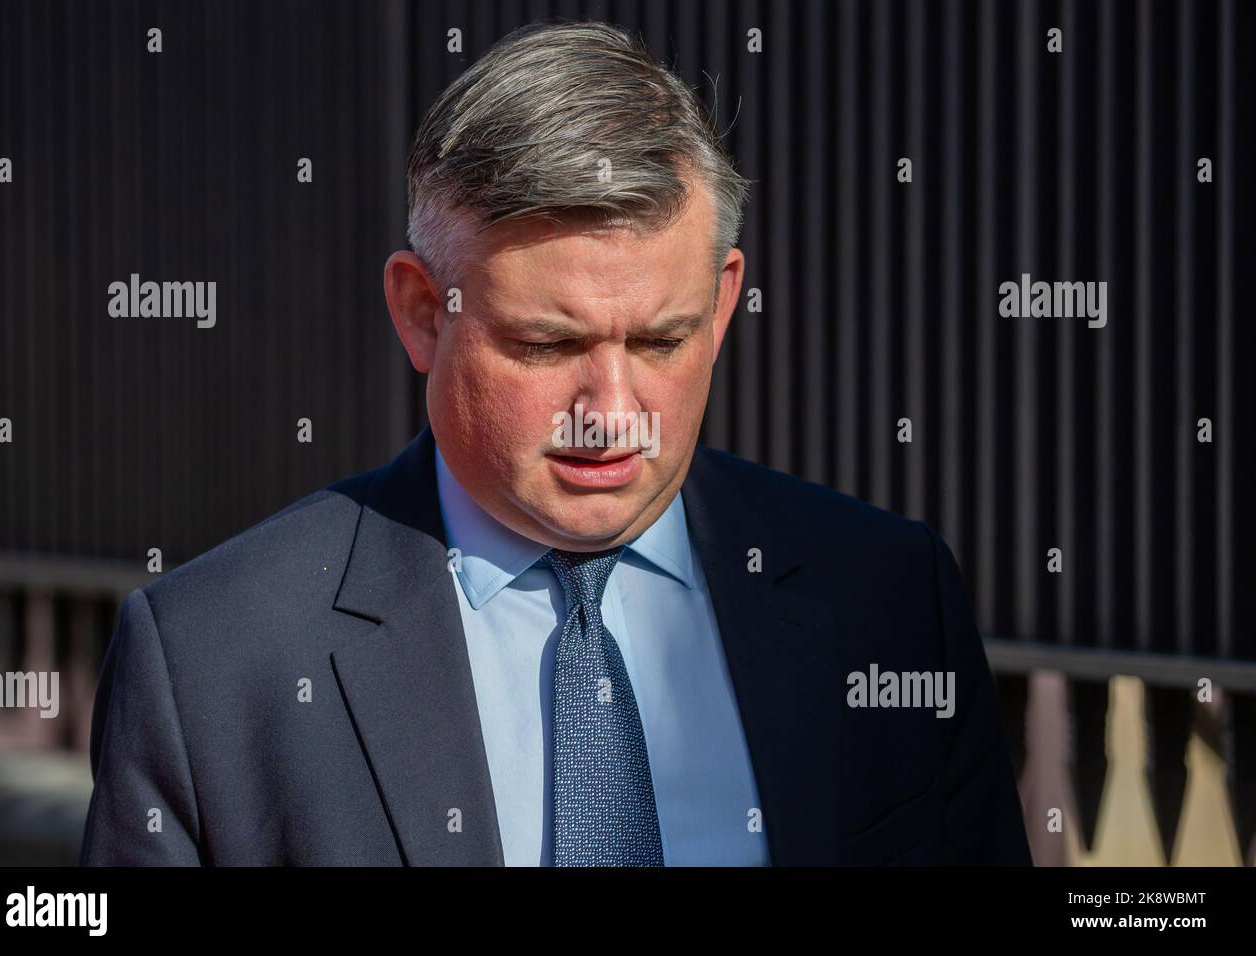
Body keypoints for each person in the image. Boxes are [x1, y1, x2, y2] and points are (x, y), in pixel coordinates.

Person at [80, 19, 1031, 866]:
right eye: (549, 344)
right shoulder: (216, 659)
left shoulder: (890, 600)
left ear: (726, 301)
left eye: (663, 340)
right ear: (422, 311)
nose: (613, 411)